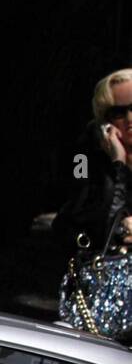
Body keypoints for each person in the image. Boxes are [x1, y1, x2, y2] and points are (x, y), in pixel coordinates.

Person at [55, 69, 132, 254]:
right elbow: (79, 225)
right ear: (106, 123)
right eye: (118, 113)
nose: (130, 119)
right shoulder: (85, 161)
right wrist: (119, 164)